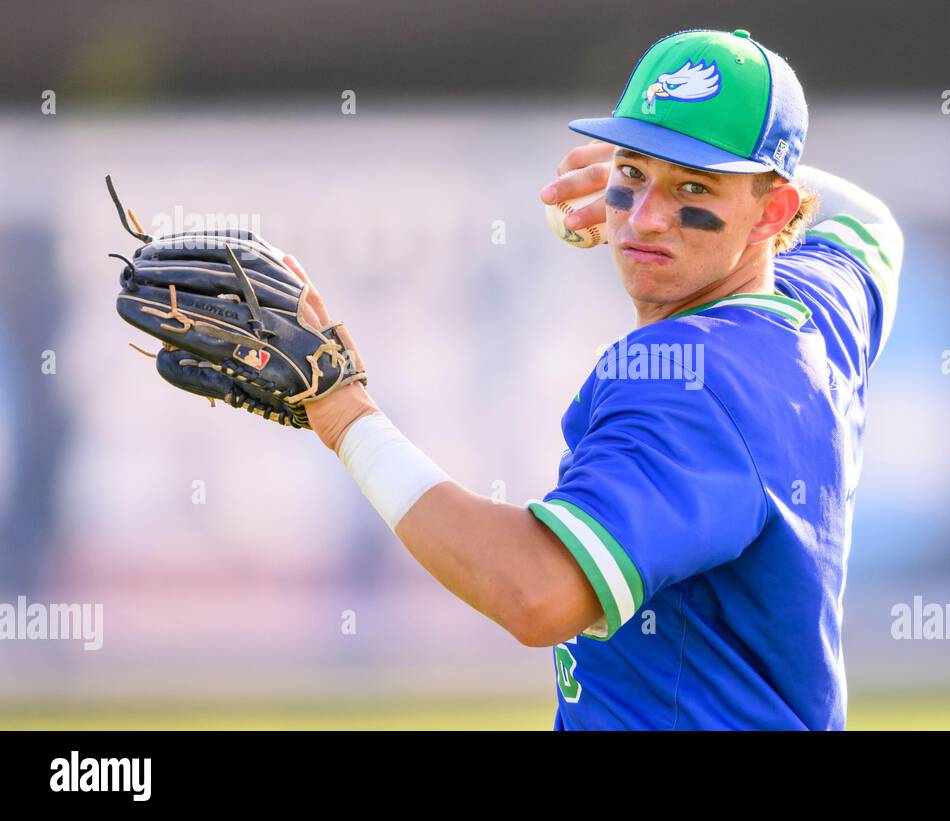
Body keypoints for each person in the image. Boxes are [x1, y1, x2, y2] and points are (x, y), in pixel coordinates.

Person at [300, 28, 903, 729]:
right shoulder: (818, 309)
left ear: (774, 211)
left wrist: (345, 416)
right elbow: (871, 221)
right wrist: (718, 163)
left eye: (692, 187)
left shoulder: (687, 379)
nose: (645, 217)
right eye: (632, 172)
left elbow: (537, 592)